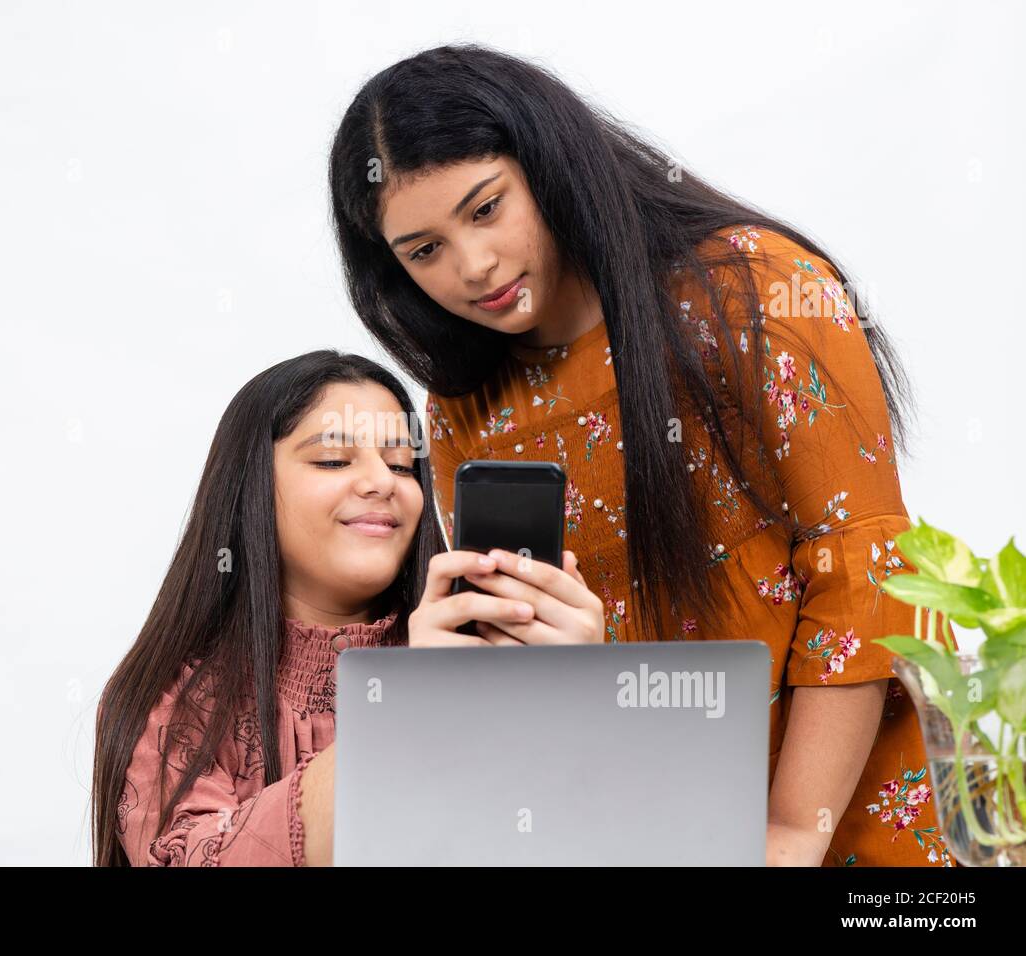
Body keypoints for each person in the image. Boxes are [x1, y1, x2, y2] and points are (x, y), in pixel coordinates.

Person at [327, 43, 954, 866]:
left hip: (858, 819)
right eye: (423, 251)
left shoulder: (754, 293)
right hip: (647, 828)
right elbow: (539, 677)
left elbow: (864, 570)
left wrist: (797, 831)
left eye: (485, 210)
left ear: (547, 165)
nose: (472, 268)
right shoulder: (463, 408)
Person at [92, 349, 603, 866]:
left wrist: (585, 703)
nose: (383, 482)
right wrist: (407, 708)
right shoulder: (174, 699)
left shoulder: (483, 657)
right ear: (250, 490)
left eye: (402, 465)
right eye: (333, 459)